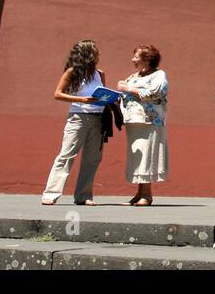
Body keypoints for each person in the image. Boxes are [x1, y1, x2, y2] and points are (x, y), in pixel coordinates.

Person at [41, 39, 106, 206]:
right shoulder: (72, 72)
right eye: (95, 51)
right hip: (78, 117)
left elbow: (102, 94)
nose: (98, 54)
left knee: (92, 158)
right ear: (88, 54)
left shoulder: (100, 73)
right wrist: (83, 99)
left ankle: (84, 195)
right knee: (67, 154)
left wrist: (109, 99)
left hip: (98, 119)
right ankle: (51, 193)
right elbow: (58, 94)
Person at [117, 45, 168, 206]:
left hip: (150, 121)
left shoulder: (158, 74)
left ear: (147, 58)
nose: (133, 60)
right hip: (133, 121)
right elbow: (128, 94)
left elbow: (157, 92)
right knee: (138, 156)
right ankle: (139, 194)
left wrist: (128, 88)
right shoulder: (134, 76)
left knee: (147, 156)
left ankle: (147, 195)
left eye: (137, 57)